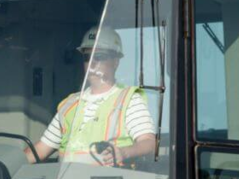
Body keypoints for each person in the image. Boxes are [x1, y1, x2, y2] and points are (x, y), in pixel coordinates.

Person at [27, 26, 157, 166]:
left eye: (99, 57)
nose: (92, 63)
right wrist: (7, 165)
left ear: (116, 62)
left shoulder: (129, 100)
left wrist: (123, 152)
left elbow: (148, 143)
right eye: (87, 57)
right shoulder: (69, 104)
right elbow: (40, 149)